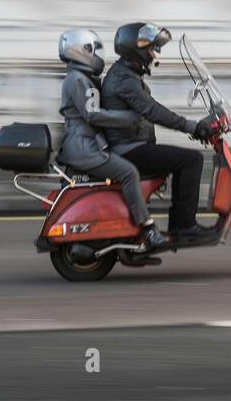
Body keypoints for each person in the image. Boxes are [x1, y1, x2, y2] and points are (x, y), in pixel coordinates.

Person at [101, 22, 216, 242]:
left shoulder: (127, 75)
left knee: (183, 159)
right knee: (191, 160)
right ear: (136, 49)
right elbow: (152, 111)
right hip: (129, 150)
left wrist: (192, 125)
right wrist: (191, 127)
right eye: (152, 48)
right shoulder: (124, 79)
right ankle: (184, 226)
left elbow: (151, 107)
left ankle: (181, 224)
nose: (154, 54)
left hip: (133, 146)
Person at [55, 28, 169, 250]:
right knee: (128, 173)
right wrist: (130, 118)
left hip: (89, 144)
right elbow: (93, 114)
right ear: (80, 50)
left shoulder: (83, 78)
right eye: (94, 50)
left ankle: (127, 224)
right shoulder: (78, 79)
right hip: (84, 148)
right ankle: (147, 228)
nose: (98, 55)